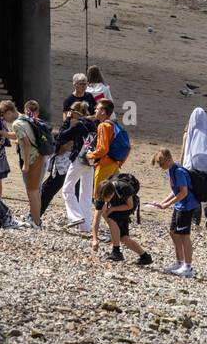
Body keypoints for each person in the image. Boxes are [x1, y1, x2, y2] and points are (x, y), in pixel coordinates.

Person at [41, 99, 95, 227]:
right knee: (84, 194)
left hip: (75, 160)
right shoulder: (92, 124)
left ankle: (75, 217)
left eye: (71, 111)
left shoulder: (78, 125)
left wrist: (66, 121)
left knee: (64, 189)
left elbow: (60, 137)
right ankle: (85, 226)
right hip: (90, 161)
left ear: (75, 112)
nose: (69, 113)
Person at [86, 99, 129, 248]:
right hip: (114, 165)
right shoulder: (115, 125)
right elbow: (128, 148)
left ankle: (97, 237)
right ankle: (115, 234)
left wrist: (90, 155)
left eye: (97, 109)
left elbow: (103, 149)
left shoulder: (103, 125)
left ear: (104, 111)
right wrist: (119, 163)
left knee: (99, 200)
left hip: (104, 165)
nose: (95, 111)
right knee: (109, 200)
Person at [151, 148, 198, 277]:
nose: (160, 166)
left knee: (184, 235)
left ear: (168, 159)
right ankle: (179, 262)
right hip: (179, 206)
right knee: (173, 233)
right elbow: (175, 190)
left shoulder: (178, 171)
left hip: (187, 206)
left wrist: (168, 204)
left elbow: (184, 192)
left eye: (161, 163)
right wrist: (163, 202)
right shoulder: (171, 170)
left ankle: (187, 267)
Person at [97, 173, 153, 265]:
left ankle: (116, 252)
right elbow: (96, 217)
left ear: (112, 194)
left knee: (111, 218)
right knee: (124, 238)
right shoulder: (103, 191)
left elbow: (129, 205)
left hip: (129, 206)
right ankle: (145, 257)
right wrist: (95, 238)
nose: (106, 201)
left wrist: (113, 208)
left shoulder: (123, 187)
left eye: (107, 199)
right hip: (119, 205)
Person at [9, 99, 48, 230]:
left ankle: (36, 222)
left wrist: (25, 164)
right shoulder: (36, 122)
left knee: (32, 190)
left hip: (32, 159)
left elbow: (25, 143)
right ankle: (36, 219)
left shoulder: (23, 122)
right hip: (42, 157)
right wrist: (2, 134)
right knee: (36, 190)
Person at [180, 107, 207, 227]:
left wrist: (182, 164)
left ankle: (195, 219)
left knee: (194, 191)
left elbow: (185, 150)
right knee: (206, 189)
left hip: (193, 167)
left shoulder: (190, 131)